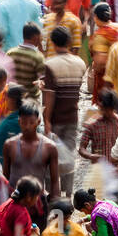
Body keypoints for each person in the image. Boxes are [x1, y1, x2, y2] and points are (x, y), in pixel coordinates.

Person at [42, 26, 86, 197]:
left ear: (52, 43)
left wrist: (46, 120)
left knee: (50, 159)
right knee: (69, 157)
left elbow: (50, 96)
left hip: (55, 119)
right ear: (69, 42)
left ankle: (52, 194)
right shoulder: (80, 63)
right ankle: (68, 194)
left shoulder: (50, 65)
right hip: (72, 117)